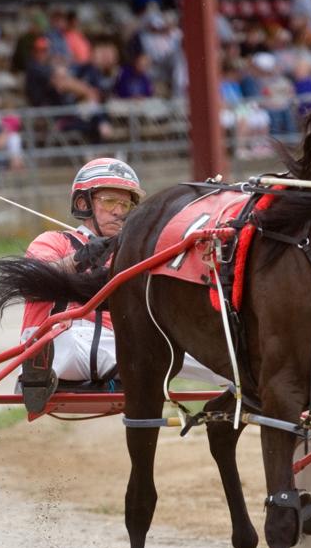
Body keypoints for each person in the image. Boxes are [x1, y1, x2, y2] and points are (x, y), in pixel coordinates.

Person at [18, 158, 223, 411]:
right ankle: (42, 369)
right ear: (84, 204)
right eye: (109, 201)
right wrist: (79, 258)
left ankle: (241, 378)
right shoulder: (52, 240)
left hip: (115, 344)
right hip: (57, 340)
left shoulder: (134, 254)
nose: (119, 211)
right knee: (138, 347)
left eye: (125, 204)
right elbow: (32, 280)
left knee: (218, 358)